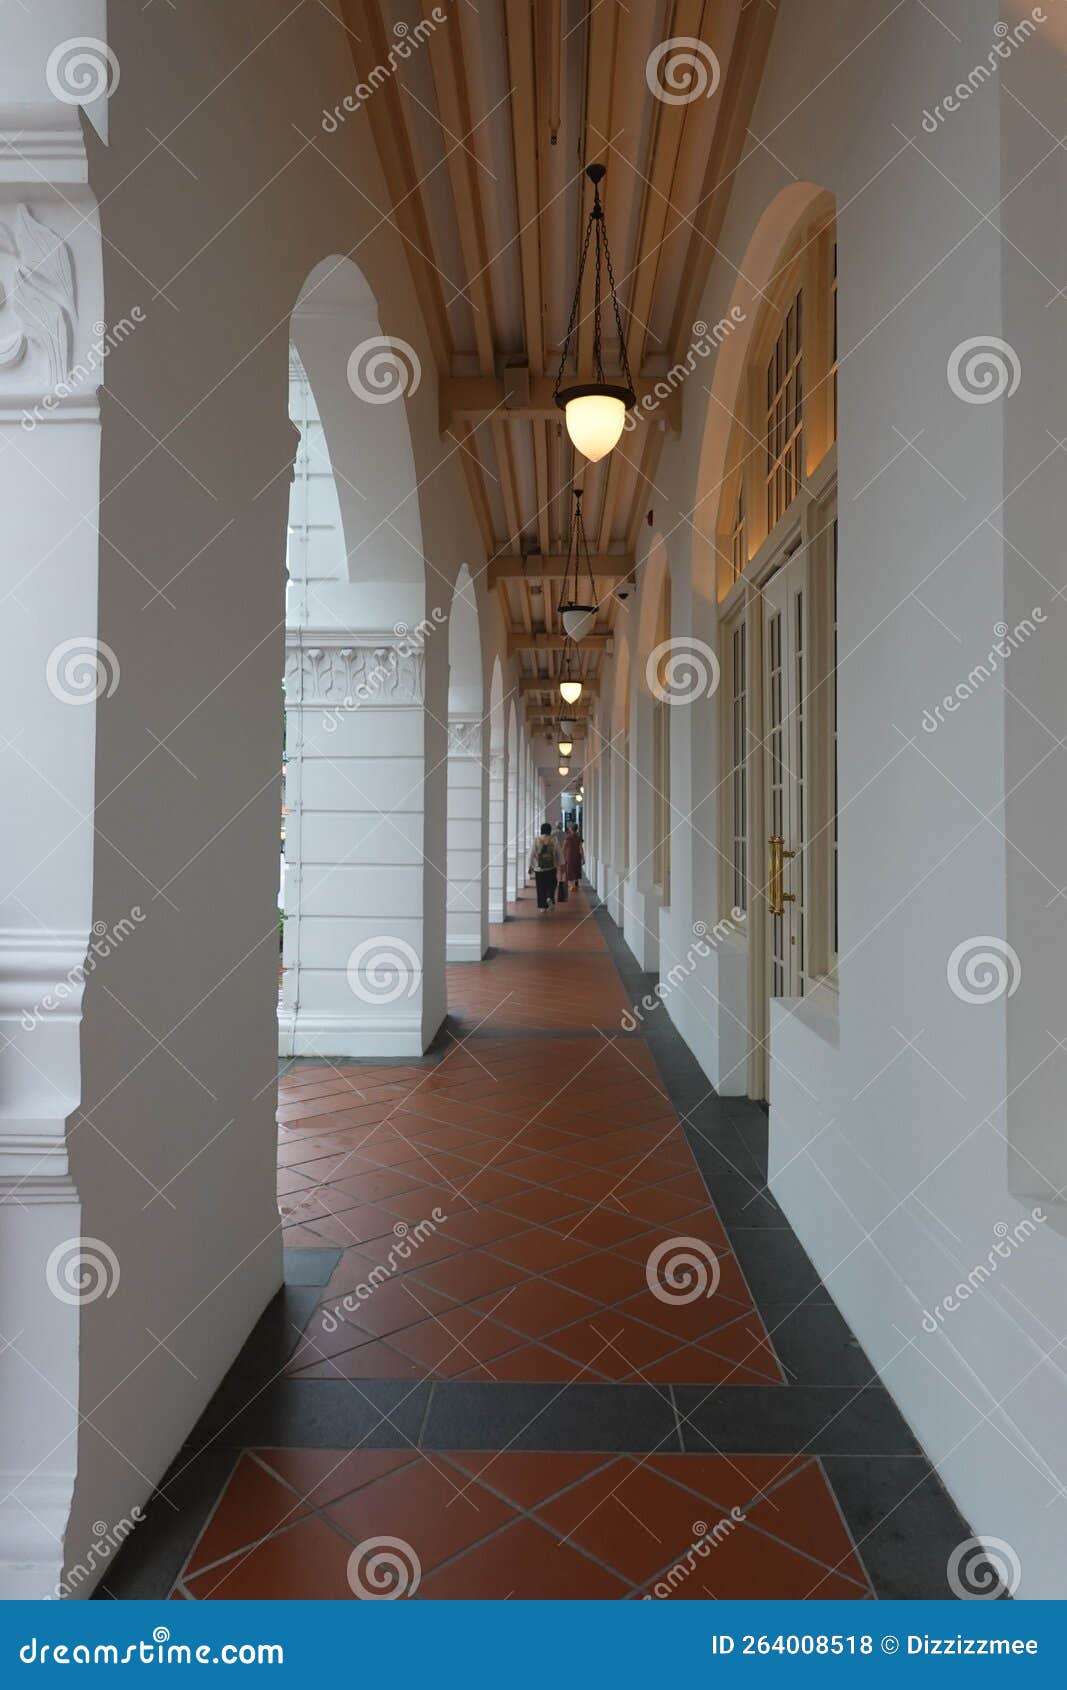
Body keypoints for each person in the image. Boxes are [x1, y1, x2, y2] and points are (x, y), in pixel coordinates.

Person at [528, 822, 562, 912]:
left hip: (539, 869)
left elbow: (531, 854)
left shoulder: (537, 840)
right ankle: (549, 897)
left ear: (541, 830)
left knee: (540, 887)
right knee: (552, 883)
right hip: (551, 867)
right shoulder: (554, 840)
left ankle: (542, 907)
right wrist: (561, 864)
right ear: (550, 830)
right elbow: (559, 853)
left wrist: (530, 866)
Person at [562, 822, 584, 892]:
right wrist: (583, 858)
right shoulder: (578, 837)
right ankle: (574, 884)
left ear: (571, 829)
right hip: (577, 855)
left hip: (570, 855)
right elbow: (581, 848)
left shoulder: (568, 837)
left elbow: (564, 847)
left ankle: (572, 885)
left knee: (570, 870)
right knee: (576, 869)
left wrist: (563, 855)